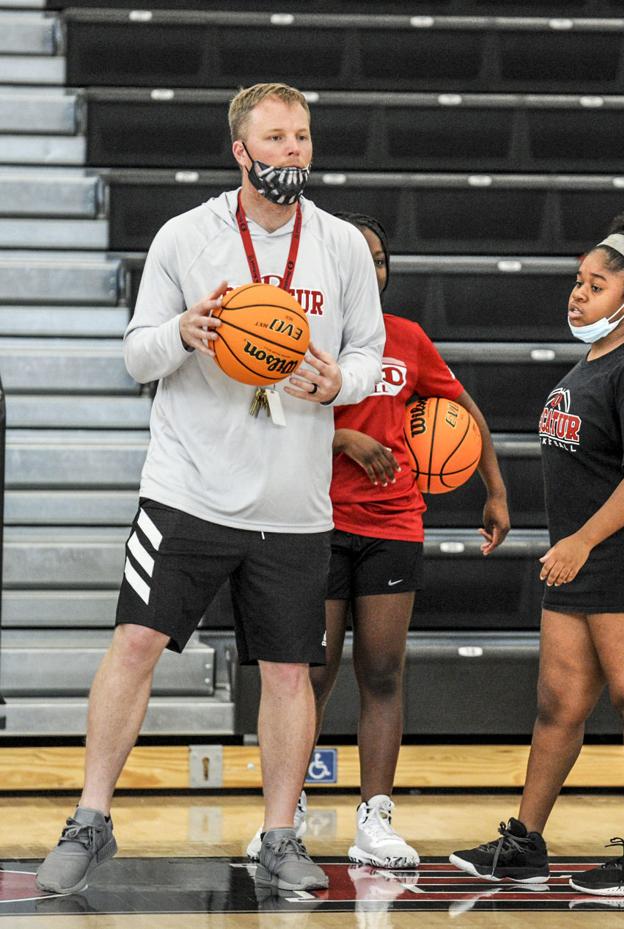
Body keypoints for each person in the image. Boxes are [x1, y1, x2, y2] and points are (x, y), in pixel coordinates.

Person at [34, 82, 385, 895]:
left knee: (292, 670)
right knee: (135, 643)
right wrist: (183, 333)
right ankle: (90, 818)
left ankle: (279, 831)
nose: (293, 149)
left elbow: (369, 351)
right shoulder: (187, 237)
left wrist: (340, 382)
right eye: (276, 137)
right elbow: (134, 354)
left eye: (302, 135)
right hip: (186, 489)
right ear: (241, 150)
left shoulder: (336, 245)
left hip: (293, 502)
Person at [448, 202, 624, 897]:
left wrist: (582, 541)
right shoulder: (592, 361)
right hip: (584, 554)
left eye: (595, 283)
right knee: (557, 702)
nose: (579, 291)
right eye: (579, 278)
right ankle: (524, 843)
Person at [243, 212, 512, 867]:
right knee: (311, 670)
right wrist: (340, 437)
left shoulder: (409, 339)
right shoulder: (296, 337)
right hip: (317, 521)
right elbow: (262, 416)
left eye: (380, 259)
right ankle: (288, 810)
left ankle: (376, 816)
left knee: (384, 672)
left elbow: (464, 410)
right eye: (359, 257)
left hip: (393, 524)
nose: (372, 267)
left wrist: (496, 488)